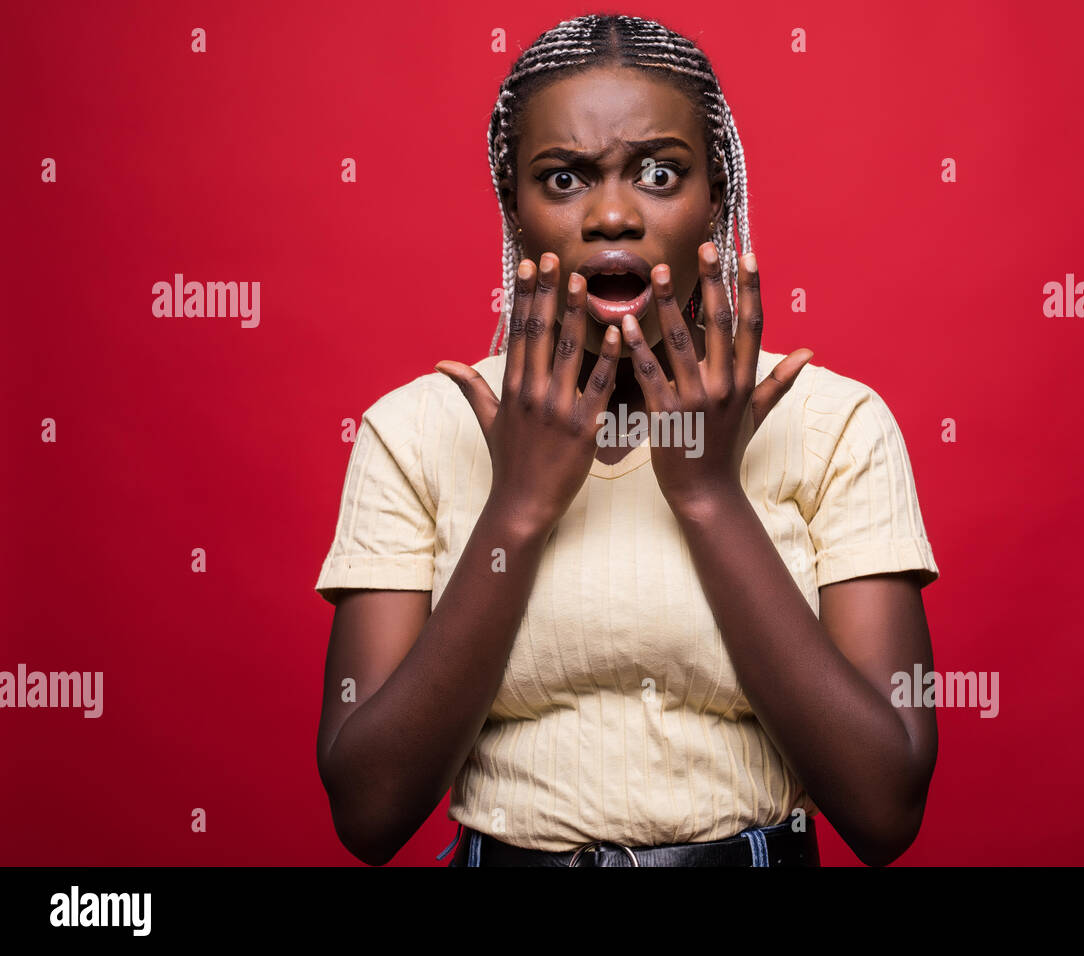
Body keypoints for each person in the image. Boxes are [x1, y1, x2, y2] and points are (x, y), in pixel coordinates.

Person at [313, 13, 941, 867]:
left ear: (717, 194)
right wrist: (520, 506)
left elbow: (885, 805)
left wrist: (710, 494)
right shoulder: (416, 431)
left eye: (658, 173)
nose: (612, 214)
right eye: (564, 179)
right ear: (514, 206)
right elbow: (368, 809)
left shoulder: (835, 428)